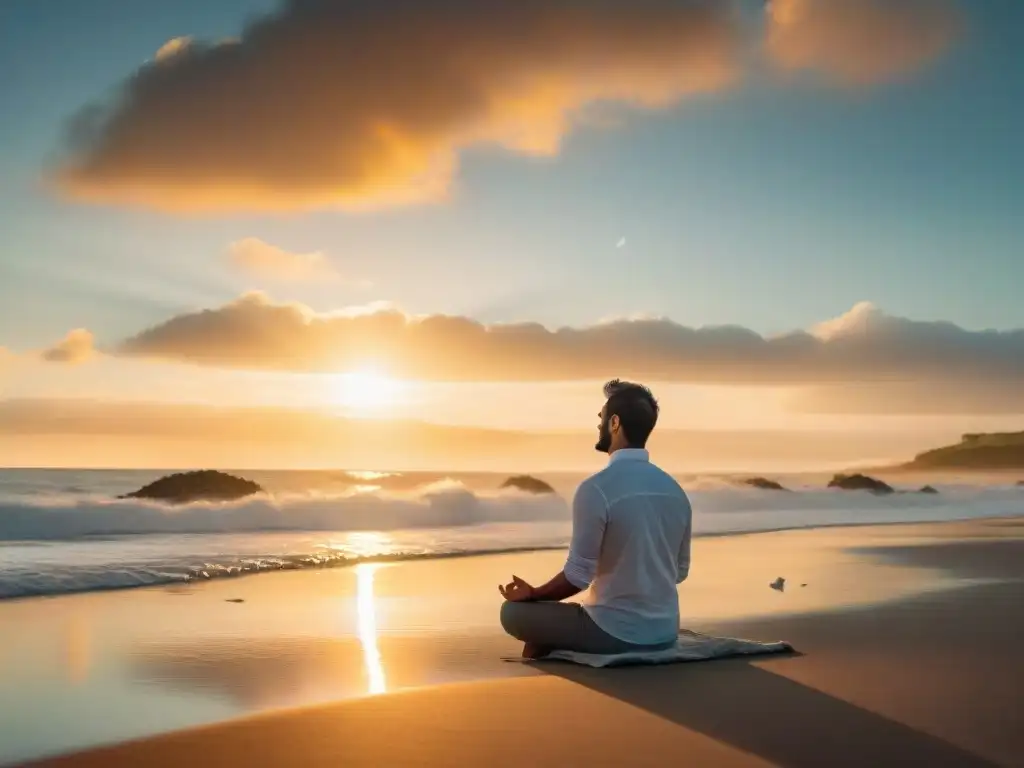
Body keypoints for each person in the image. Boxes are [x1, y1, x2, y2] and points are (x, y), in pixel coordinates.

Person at [498, 379, 692, 658]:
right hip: (664, 633)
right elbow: (680, 572)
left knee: (514, 612)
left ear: (614, 423)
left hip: (614, 632)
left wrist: (534, 594)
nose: (598, 422)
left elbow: (578, 577)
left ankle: (541, 688)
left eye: (601, 416)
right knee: (550, 625)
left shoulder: (596, 489)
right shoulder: (676, 491)